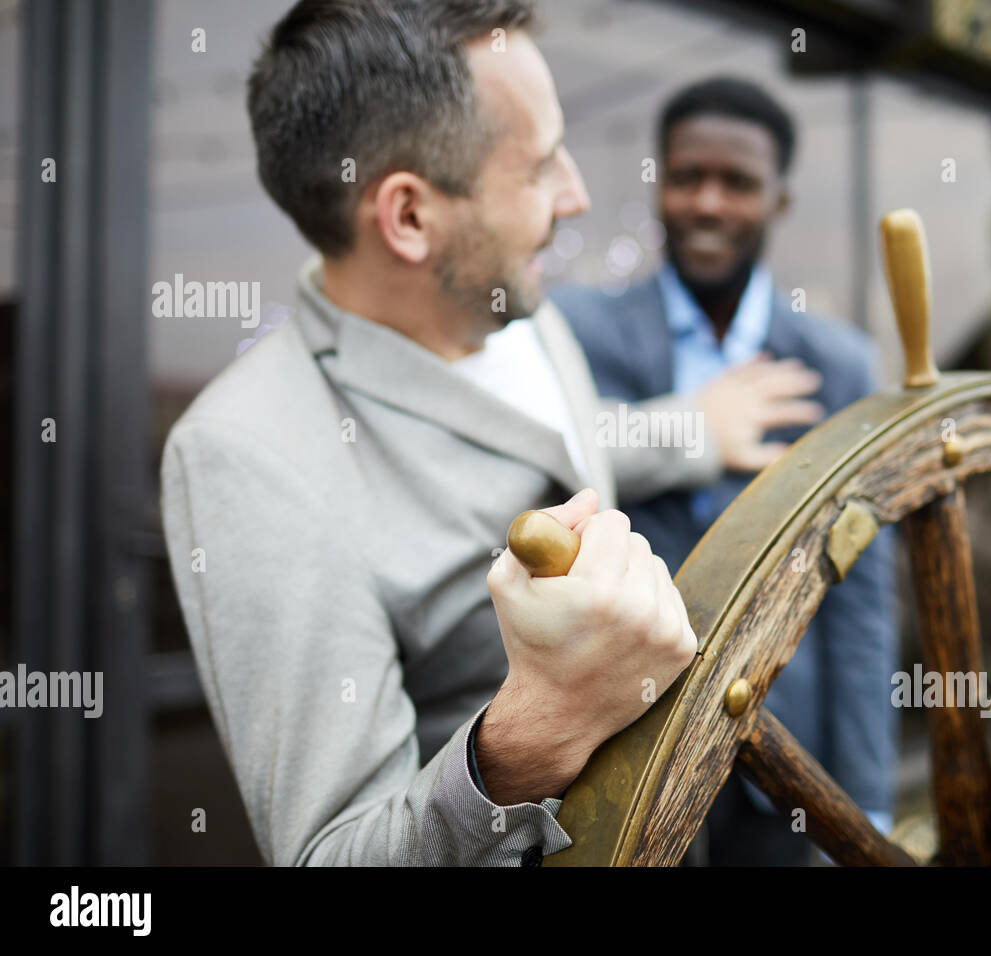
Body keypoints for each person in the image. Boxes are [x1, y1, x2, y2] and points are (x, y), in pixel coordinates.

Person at [160, 1, 821, 866]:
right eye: (541, 165)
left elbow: (546, 449)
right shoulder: (246, 456)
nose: (578, 194)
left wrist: (691, 429)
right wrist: (530, 738)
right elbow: (331, 854)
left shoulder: (509, 309)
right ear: (408, 218)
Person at [550, 76, 899, 865]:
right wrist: (691, 423)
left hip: (783, 764)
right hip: (615, 748)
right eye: (686, 177)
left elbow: (862, 600)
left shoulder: (839, 366)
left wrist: (866, 798)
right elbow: (545, 477)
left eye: (737, 182)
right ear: (660, 184)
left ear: (778, 200)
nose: (708, 202)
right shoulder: (577, 331)